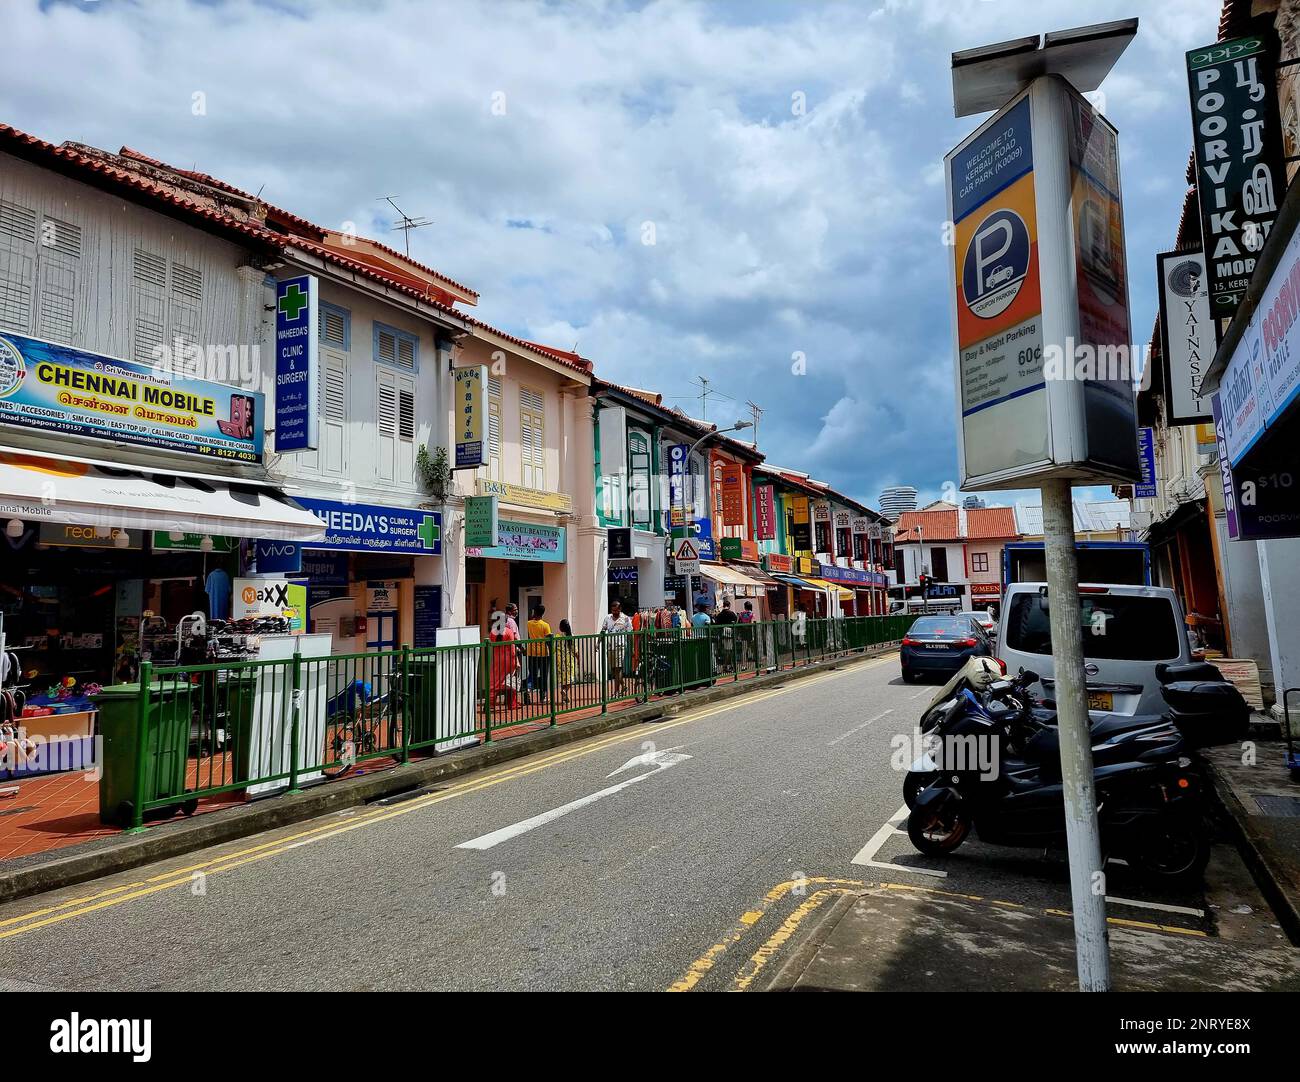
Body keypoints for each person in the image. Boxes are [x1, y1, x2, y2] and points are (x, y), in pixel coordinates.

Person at [600, 599, 633, 698]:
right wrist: (598, 642)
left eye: (616, 611)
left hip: (620, 646)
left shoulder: (626, 619)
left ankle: (616, 691)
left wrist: (632, 648)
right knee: (613, 669)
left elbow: (630, 634)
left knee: (618, 668)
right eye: (613, 610)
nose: (614, 612)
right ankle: (623, 686)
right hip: (610, 646)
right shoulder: (607, 618)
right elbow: (603, 630)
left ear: (620, 609)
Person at [488, 614, 521, 711]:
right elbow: (512, 648)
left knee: (494, 682)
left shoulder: (493, 632)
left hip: (497, 659)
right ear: (506, 621)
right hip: (508, 660)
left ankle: (491, 704)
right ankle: (512, 704)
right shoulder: (509, 632)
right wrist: (516, 662)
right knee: (511, 682)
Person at [525, 604, 552, 705]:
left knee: (532, 674)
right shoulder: (545, 625)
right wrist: (551, 652)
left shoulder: (529, 623)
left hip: (532, 652)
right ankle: (543, 697)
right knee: (544, 675)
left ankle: (528, 690)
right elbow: (549, 640)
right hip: (544, 654)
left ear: (534, 612)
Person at [555, 618, 577, 705]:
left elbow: (554, 648)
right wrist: (578, 658)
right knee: (570, 679)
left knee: (563, 679)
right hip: (569, 660)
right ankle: (564, 691)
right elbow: (575, 650)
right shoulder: (571, 636)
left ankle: (564, 698)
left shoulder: (557, 637)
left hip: (560, 661)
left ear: (561, 628)